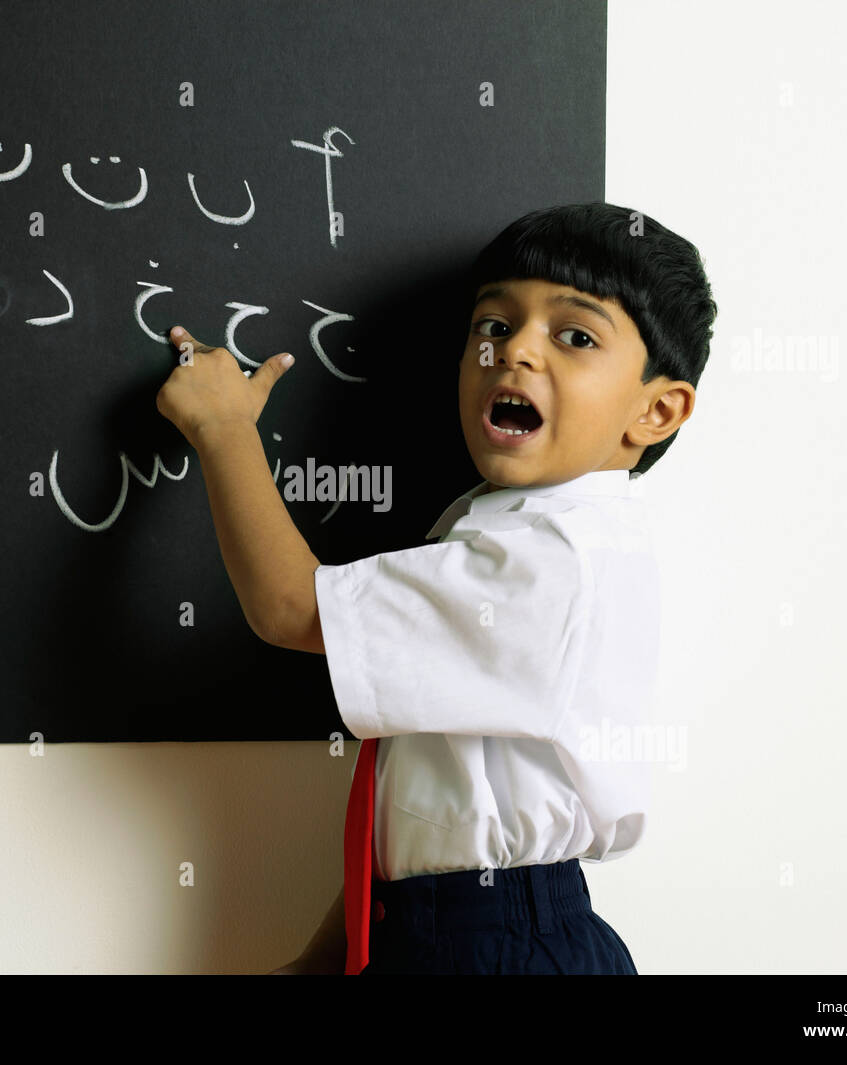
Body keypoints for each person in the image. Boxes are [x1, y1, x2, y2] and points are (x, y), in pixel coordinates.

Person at [156, 201, 717, 975]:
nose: (515, 349)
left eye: (575, 335)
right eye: (492, 325)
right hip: (450, 929)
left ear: (656, 409)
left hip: (501, 943)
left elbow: (288, 607)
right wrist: (325, 957)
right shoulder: (513, 530)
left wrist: (224, 432)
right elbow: (430, 824)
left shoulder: (551, 555)